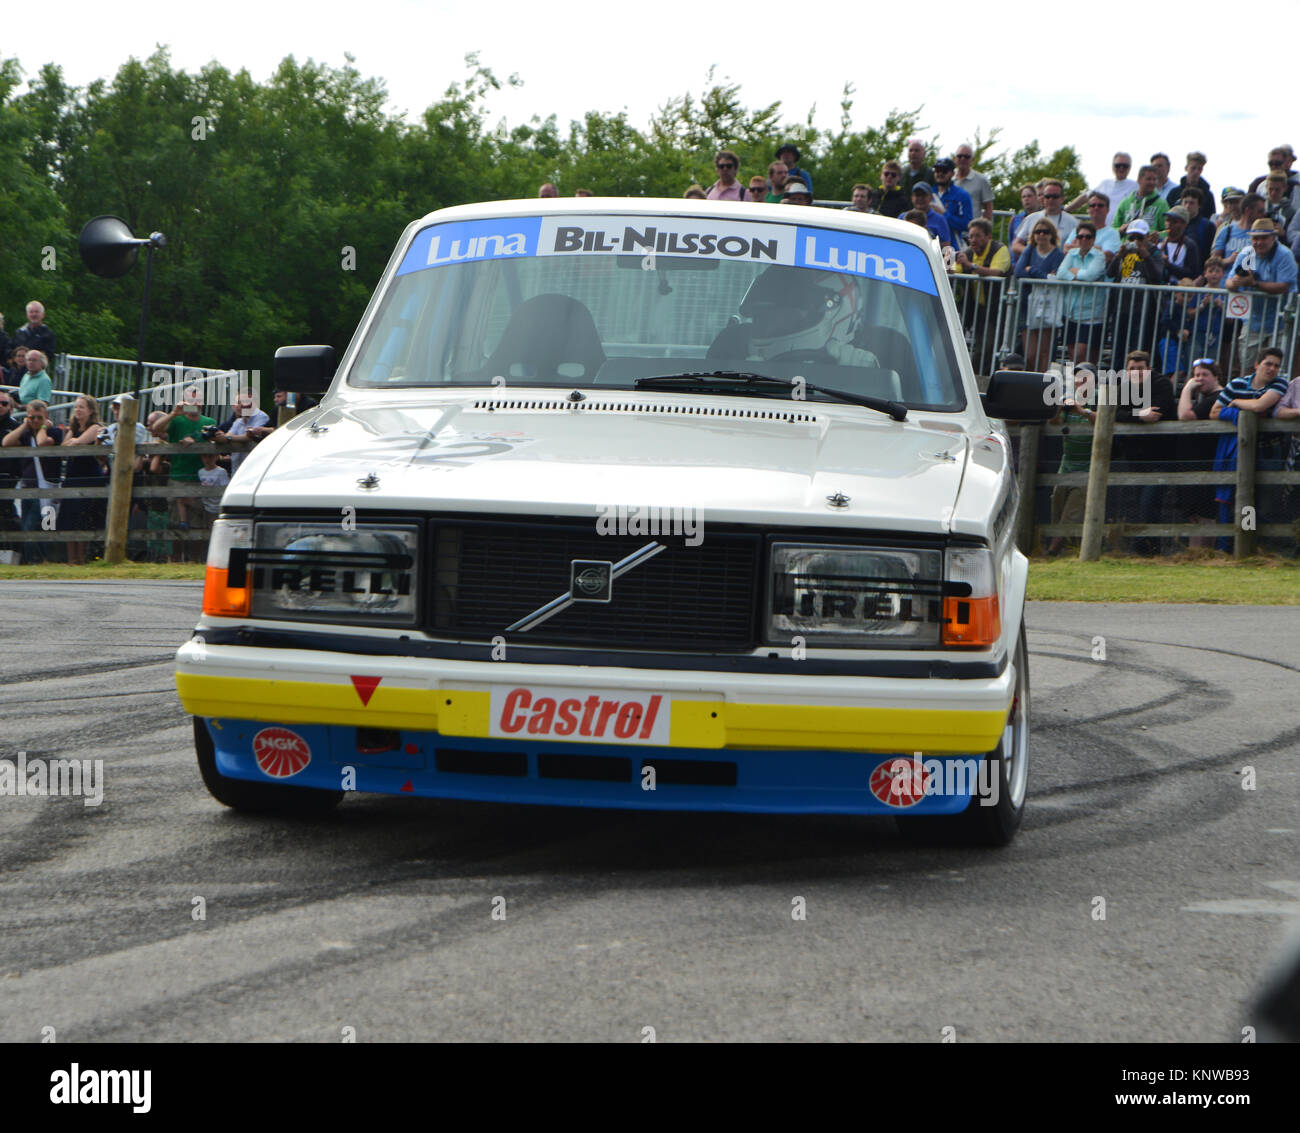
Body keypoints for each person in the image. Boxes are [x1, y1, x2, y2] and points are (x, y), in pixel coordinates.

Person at [1114, 350, 1177, 555]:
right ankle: (1149, 549)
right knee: (1139, 499)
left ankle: (1145, 548)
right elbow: (1113, 411)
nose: (1136, 373)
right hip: (1134, 453)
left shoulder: (1162, 384)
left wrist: (1134, 415)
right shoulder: (1122, 386)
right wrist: (1139, 414)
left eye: (1140, 369)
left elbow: (1156, 412)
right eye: (1132, 369)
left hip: (1161, 453)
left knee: (1150, 501)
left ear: (1149, 369)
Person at [1224, 218, 1298, 374]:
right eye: (1255, 238)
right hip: (1253, 321)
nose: (1259, 242)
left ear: (1273, 238)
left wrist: (1254, 283)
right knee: (1247, 365)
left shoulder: (1285, 255)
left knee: (1277, 368)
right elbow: (1228, 283)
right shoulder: (1246, 254)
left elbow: (1283, 286)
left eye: (1263, 238)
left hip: (1280, 322)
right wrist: (1236, 282)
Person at [152, 387, 215, 558]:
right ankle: (175, 561)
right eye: (190, 398)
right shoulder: (177, 421)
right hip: (178, 476)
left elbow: (215, 441)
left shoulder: (208, 421)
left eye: (197, 398)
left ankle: (194, 561)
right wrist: (173, 413)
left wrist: (196, 443)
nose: (194, 402)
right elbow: (156, 429)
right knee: (176, 523)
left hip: (201, 477)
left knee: (199, 522)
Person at [1, 398, 64, 562]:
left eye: (39, 417)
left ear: (46, 417)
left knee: (43, 527)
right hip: (28, 489)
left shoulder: (54, 432)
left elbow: (42, 442)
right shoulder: (27, 434)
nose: (35, 421)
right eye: (32, 417)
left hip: (47, 491)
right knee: (27, 528)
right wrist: (24, 425)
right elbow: (6, 443)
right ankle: (36, 561)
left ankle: (40, 561)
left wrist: (43, 427)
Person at [1046, 362, 1099, 556]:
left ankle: (1051, 551)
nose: (1081, 381)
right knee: (1058, 508)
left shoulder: (1100, 398)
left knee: (1071, 514)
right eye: (1078, 378)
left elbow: (1104, 420)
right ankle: (1067, 551)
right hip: (1066, 464)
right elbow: (1054, 423)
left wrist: (1081, 410)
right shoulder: (1070, 399)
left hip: (1088, 467)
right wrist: (1058, 409)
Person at [952, 217, 1010, 373]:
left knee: (988, 347)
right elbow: (952, 271)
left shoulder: (999, 249)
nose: (973, 240)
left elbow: (997, 272)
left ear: (988, 236)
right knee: (978, 347)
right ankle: (975, 378)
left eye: (977, 236)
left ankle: (981, 379)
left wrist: (971, 266)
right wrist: (947, 258)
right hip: (975, 308)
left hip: (996, 308)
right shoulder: (967, 253)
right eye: (971, 236)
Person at [58, 394, 106, 566]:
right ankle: (72, 559)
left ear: (90, 410)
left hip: (88, 477)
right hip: (73, 475)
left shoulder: (95, 427)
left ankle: (81, 559)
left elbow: (77, 443)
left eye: (82, 407)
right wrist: (72, 442)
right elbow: (64, 448)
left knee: (83, 518)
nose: (78, 410)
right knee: (69, 518)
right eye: (76, 407)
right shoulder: (73, 426)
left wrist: (73, 442)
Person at [1014, 221, 1065, 371]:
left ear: (1052, 235)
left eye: (1045, 231)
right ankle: (1030, 382)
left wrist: (1033, 271)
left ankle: (1041, 385)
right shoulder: (1029, 250)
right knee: (1030, 354)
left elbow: (1054, 279)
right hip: (1027, 304)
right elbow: (1018, 272)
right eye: (1037, 232)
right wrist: (1044, 275)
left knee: (1044, 353)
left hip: (1048, 304)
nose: (1041, 235)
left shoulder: (1057, 254)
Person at [1056, 223, 1108, 365]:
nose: (1084, 239)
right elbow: (1060, 272)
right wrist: (1076, 277)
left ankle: (1089, 384)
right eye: (1080, 236)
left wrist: (1074, 271)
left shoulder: (1100, 257)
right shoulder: (1071, 254)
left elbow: (1091, 275)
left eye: (1088, 237)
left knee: (1083, 355)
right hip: (1070, 313)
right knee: (1074, 357)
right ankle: (1079, 385)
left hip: (1091, 314)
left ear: (1093, 239)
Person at [1066, 153, 1138, 224]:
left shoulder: (1136, 186)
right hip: (1102, 229)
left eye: (1125, 166)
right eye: (1118, 165)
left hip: (1123, 231)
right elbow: (1086, 197)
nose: (1121, 168)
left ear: (1130, 168)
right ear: (1112, 167)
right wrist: (1066, 210)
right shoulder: (1105, 183)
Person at [214, 390, 272, 475]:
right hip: (237, 471)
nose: (241, 406)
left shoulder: (261, 417)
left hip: (254, 471)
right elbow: (229, 435)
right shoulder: (238, 421)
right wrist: (217, 436)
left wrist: (227, 437)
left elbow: (249, 436)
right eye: (239, 402)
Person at [1011, 179, 1076, 256]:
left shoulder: (1073, 222)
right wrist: (1034, 254)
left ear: (1062, 199)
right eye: (1047, 196)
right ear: (1043, 199)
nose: (1051, 199)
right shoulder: (1031, 218)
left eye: (1055, 196)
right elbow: (1015, 245)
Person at [1212, 192, 1265, 267]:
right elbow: (1213, 261)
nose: (1263, 215)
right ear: (1248, 211)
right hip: (1228, 277)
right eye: (1260, 212)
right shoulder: (1227, 230)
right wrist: (1229, 260)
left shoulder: (1263, 234)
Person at [1113, 165, 1169, 235]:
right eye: (1148, 179)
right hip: (1127, 244)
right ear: (1139, 180)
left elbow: (1168, 231)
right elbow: (1113, 229)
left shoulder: (1162, 204)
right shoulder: (1125, 203)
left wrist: (1155, 235)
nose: (1152, 182)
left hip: (1148, 245)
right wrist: (1120, 230)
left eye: (1154, 179)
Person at [933, 157, 972, 248]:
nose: (940, 174)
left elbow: (967, 224)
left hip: (951, 247)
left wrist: (944, 214)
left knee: (949, 263)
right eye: (937, 171)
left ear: (952, 173)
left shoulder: (962, 195)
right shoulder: (929, 193)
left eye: (944, 171)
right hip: (931, 246)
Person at [1157, 207, 1203, 282]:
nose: (1169, 224)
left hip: (1179, 291)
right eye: (1167, 220)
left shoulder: (1189, 245)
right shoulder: (1159, 243)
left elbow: (1192, 273)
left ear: (1184, 225)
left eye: (1174, 222)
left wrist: (1169, 266)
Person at [953, 144, 994, 221]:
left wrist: (981, 227)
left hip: (971, 229)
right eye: (959, 156)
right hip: (950, 228)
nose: (962, 159)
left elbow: (988, 208)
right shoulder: (948, 179)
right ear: (955, 159)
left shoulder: (981, 180)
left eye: (966, 157)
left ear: (972, 160)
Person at [11, 301, 57, 367]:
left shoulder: (48, 334)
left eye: (37, 312)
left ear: (43, 315)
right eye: (31, 312)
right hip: (18, 369)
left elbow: (48, 355)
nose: (34, 314)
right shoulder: (19, 332)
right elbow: (13, 351)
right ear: (27, 315)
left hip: (37, 370)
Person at [196, 452, 228, 533]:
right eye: (205, 457)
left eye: (210, 456)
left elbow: (225, 488)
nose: (207, 460)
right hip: (206, 505)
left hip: (217, 507)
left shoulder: (221, 472)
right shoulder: (201, 472)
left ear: (216, 457)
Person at [1180, 188, 1216, 261]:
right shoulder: (1176, 224)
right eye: (1185, 202)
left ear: (1199, 205)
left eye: (1192, 203)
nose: (1187, 206)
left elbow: (1210, 252)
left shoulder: (1207, 226)